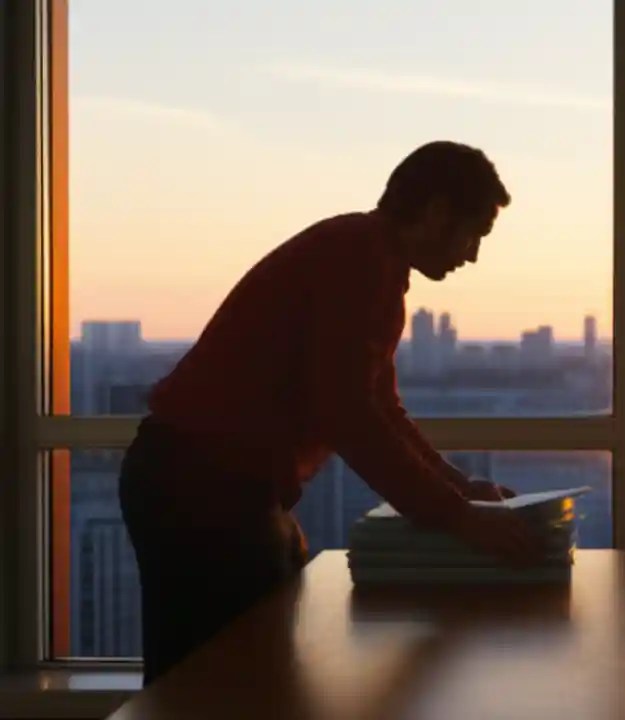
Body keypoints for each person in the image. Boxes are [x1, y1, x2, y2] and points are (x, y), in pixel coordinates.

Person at [118, 141, 538, 685]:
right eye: (474, 234)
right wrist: (456, 513)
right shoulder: (360, 262)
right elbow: (350, 414)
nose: (473, 254)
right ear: (436, 213)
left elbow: (378, 407)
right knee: (219, 687)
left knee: (215, 683)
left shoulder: (366, 257)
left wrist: (460, 488)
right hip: (202, 489)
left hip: (200, 481)